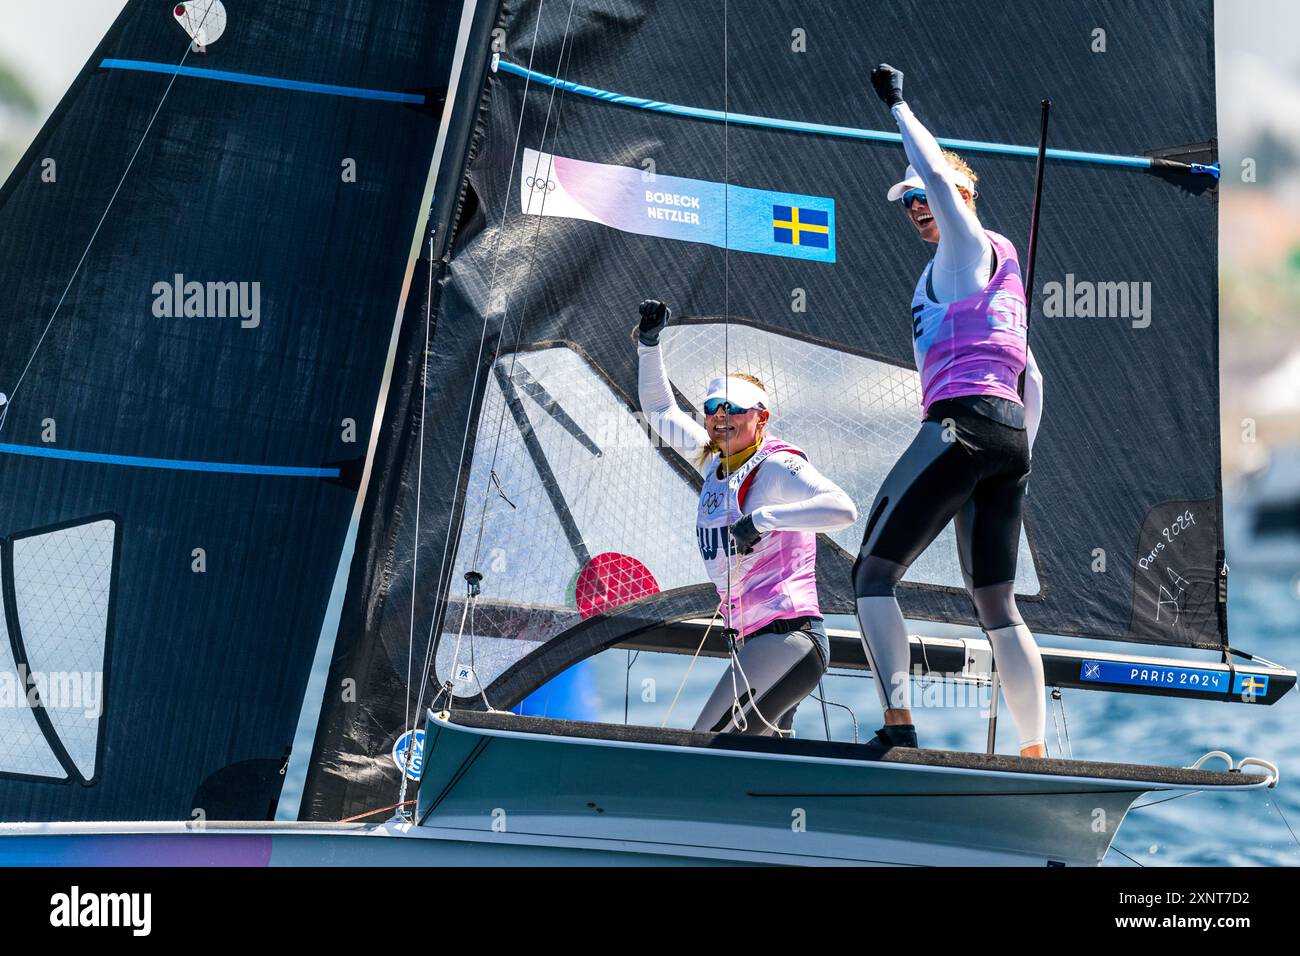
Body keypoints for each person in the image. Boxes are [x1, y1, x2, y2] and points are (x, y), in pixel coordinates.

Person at [853, 64, 1047, 757]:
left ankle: (899, 726)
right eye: (906, 203)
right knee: (996, 603)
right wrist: (1017, 455)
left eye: (923, 195)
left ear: (964, 194)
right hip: (1006, 436)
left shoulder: (968, 246)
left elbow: (935, 173)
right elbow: (1033, 375)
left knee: (870, 577)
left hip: (961, 429)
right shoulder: (999, 266)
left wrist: (900, 105)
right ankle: (1034, 752)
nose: (916, 206)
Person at [635, 299, 857, 736]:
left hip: (787, 639)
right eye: (714, 407)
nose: (722, 417)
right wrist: (648, 344)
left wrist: (763, 520)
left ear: (761, 417)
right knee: (761, 772)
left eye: (735, 408)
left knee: (705, 748)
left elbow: (842, 508)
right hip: (754, 644)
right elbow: (661, 412)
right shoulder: (712, 460)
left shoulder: (774, 466)